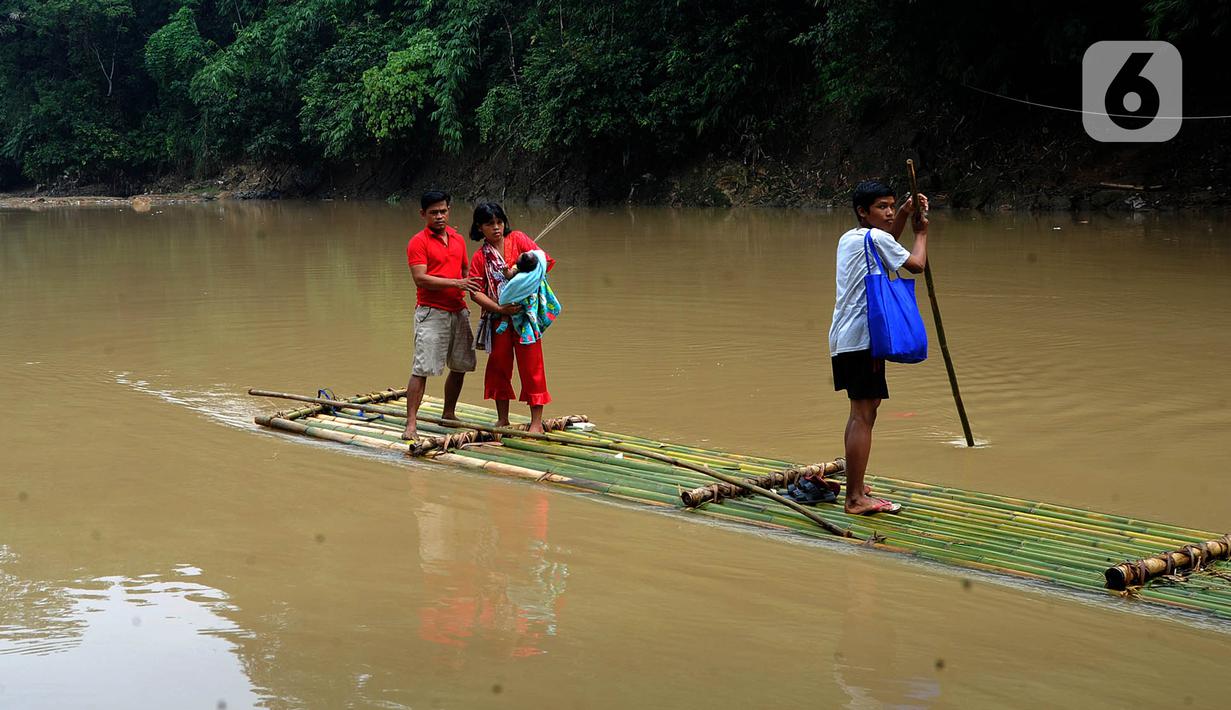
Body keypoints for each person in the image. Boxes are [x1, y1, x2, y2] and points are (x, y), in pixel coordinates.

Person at [821, 180, 929, 515]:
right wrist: (921, 232)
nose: (888, 212)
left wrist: (905, 214)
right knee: (863, 413)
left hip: (847, 336)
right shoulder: (874, 238)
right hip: (863, 338)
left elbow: (885, 242)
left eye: (891, 206)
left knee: (867, 409)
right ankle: (855, 498)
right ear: (862, 211)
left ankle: (856, 482)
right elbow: (916, 265)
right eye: (881, 207)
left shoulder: (851, 238)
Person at [467, 203, 556, 433]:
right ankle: (502, 419)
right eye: (490, 224)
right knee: (498, 367)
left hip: (526, 317)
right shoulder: (480, 257)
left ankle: (536, 422)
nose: (496, 228)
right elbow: (475, 292)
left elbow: (544, 262)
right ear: (480, 227)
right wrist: (500, 308)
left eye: (499, 222)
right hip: (498, 318)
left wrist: (518, 271)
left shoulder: (518, 239)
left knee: (532, 366)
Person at [402, 190, 480, 440]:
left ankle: (449, 413)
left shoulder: (457, 239)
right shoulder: (418, 242)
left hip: (458, 311)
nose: (439, 216)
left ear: (449, 210)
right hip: (431, 313)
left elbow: (467, 271)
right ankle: (411, 424)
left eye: (443, 211)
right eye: (434, 212)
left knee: (461, 365)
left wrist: (480, 287)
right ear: (423, 214)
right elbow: (420, 278)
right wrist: (457, 283)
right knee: (422, 368)